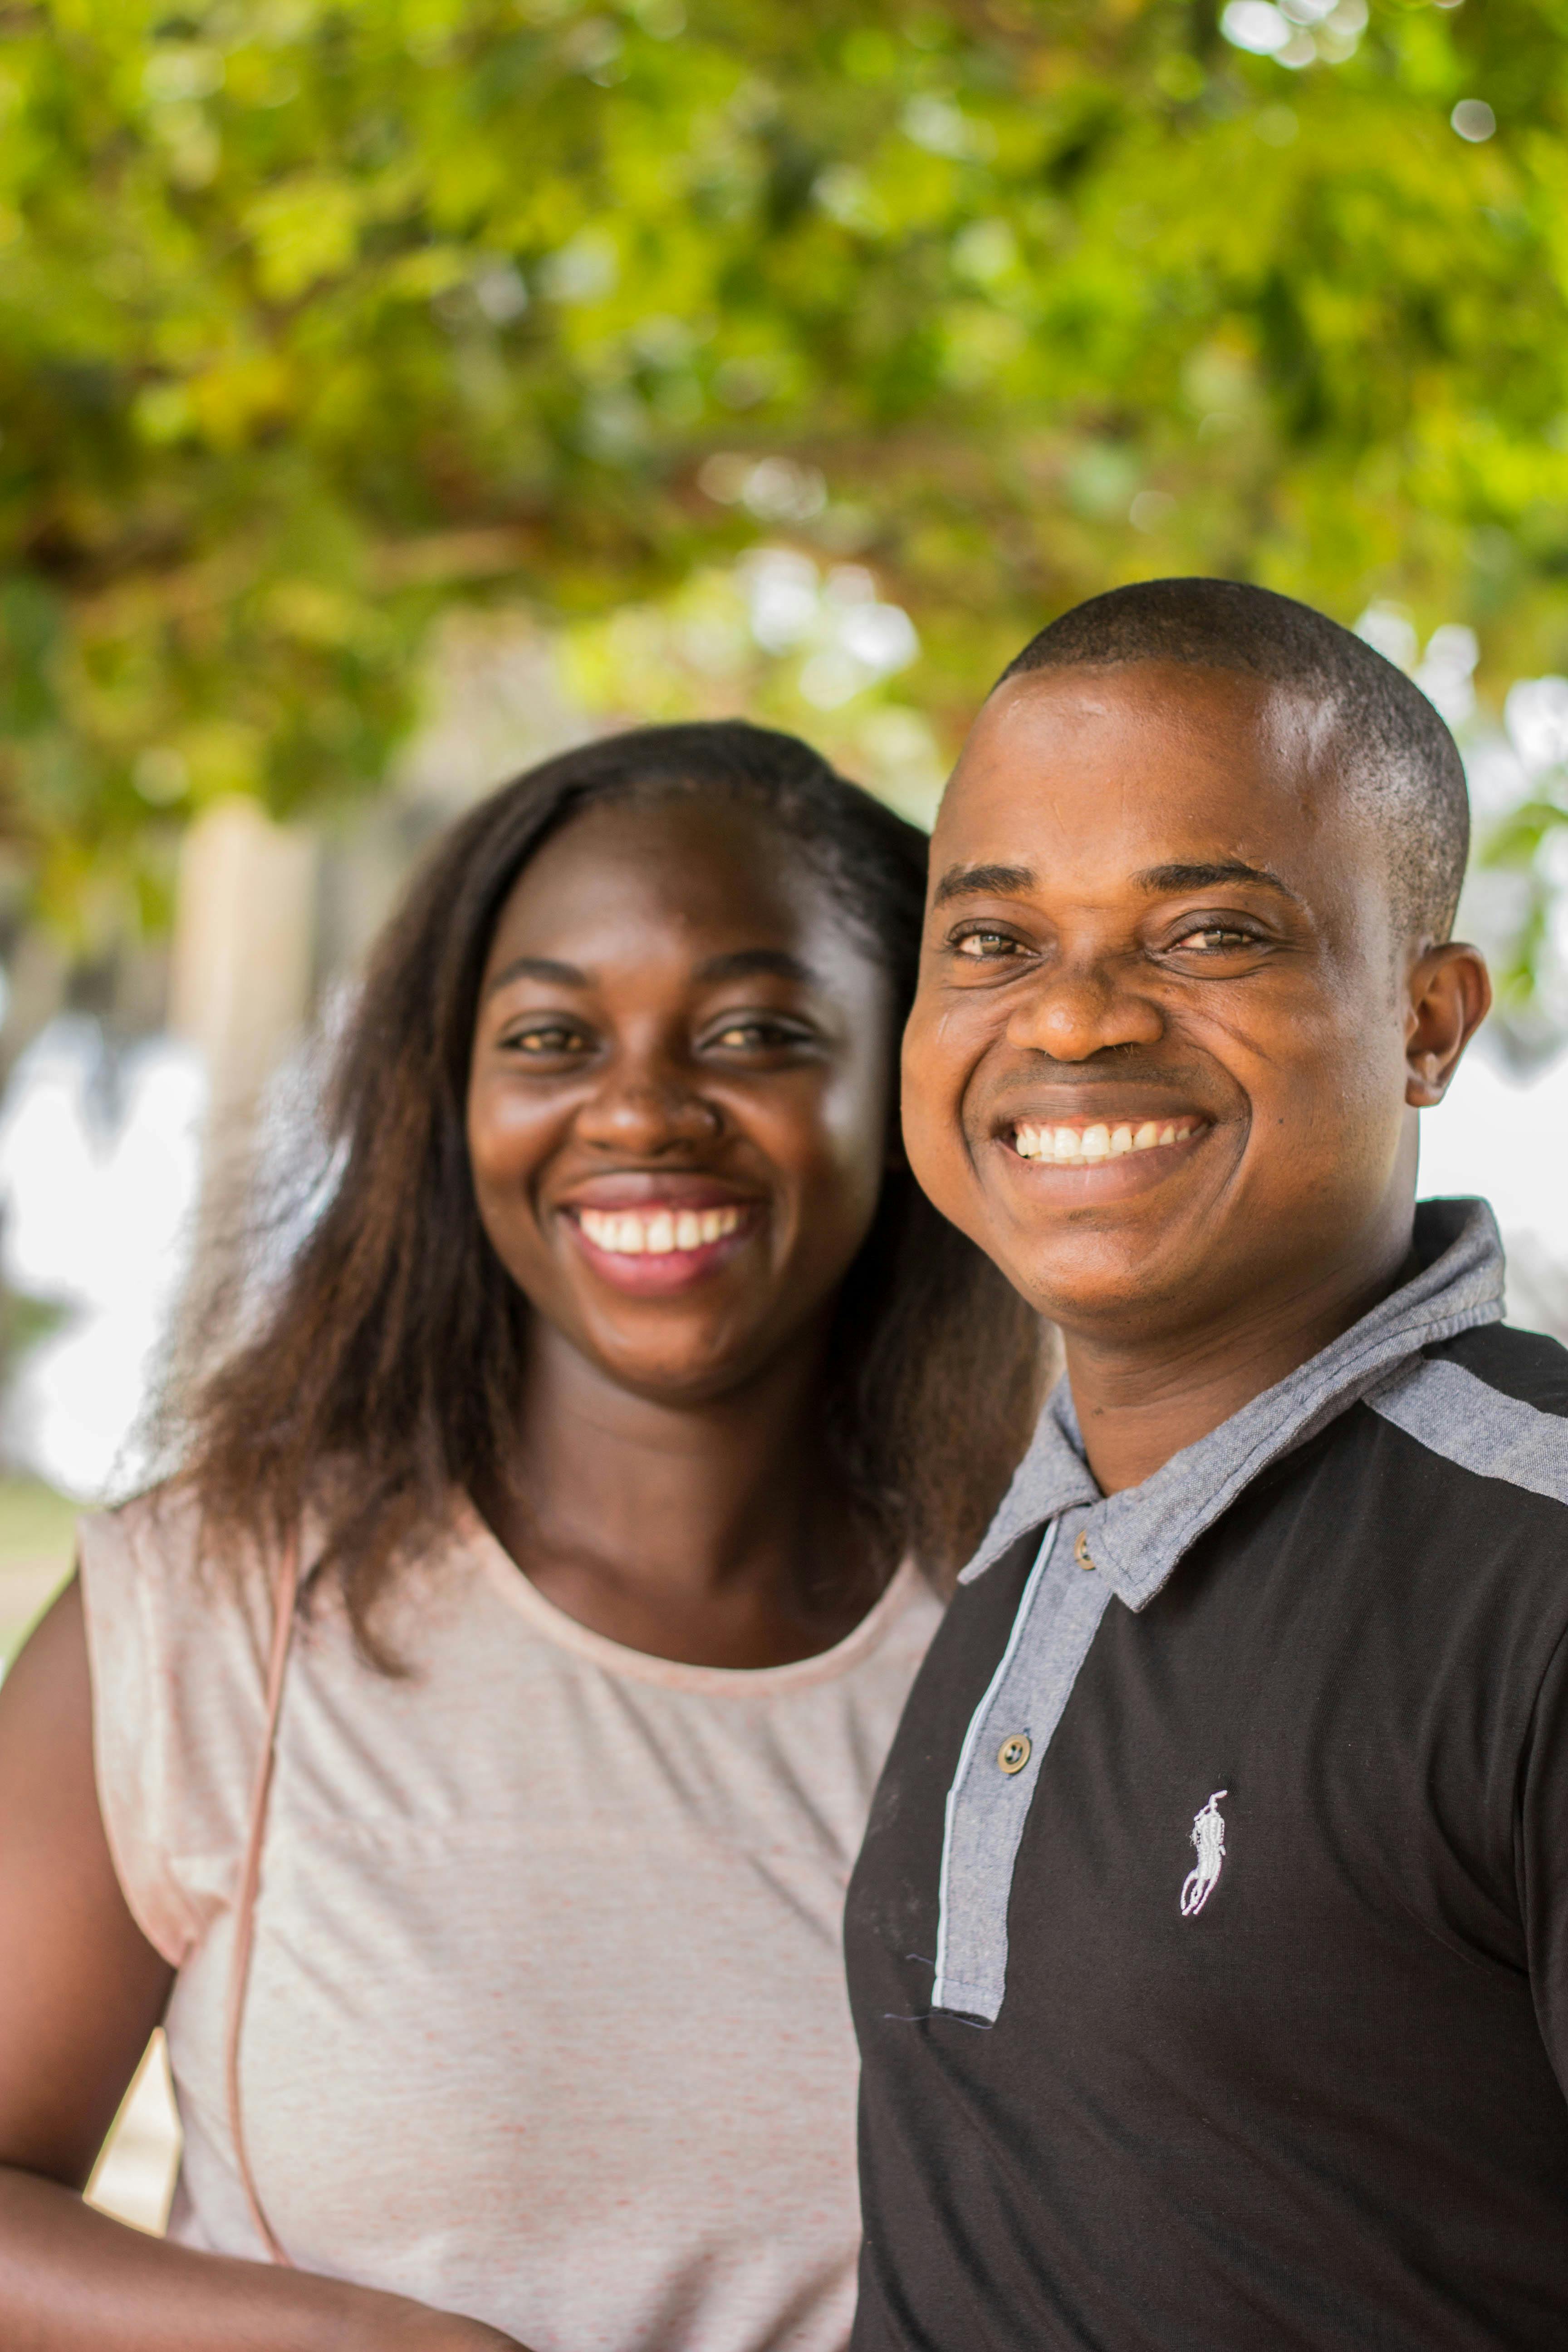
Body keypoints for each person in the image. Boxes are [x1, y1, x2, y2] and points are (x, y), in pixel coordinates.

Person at [0, 721, 1042, 2352]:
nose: (644, 1110)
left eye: (755, 1033)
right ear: (452, 1097)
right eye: (553, 1037)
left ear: (907, 1083)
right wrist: (373, 2347)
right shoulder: (209, 1607)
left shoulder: (1045, 1656)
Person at [846, 579, 1568, 2349]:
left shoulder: (1535, 1580)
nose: (1074, 1020)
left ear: (1428, 1022)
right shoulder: (1035, 1543)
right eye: (995, 941)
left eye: (1212, 934)